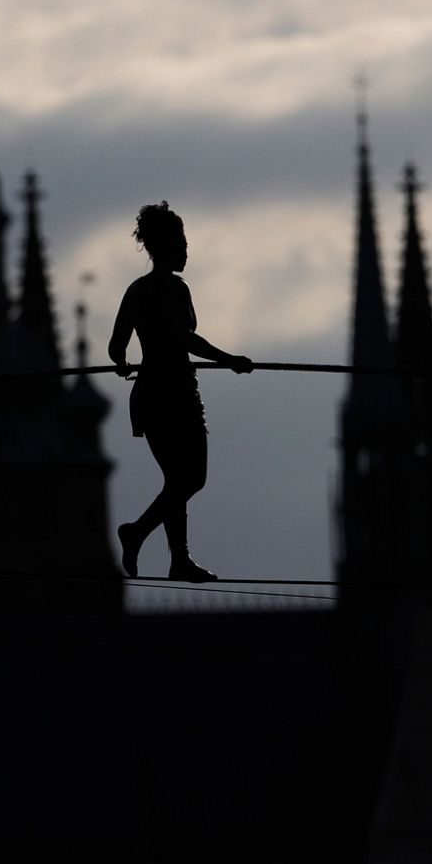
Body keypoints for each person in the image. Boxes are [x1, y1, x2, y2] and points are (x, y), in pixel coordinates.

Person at [108, 202, 253, 582]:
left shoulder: (134, 291)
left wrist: (124, 363)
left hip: (146, 397)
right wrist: (230, 359)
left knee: (176, 480)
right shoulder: (174, 289)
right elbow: (184, 338)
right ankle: (137, 533)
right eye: (182, 243)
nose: (187, 250)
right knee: (192, 479)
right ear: (168, 246)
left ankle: (179, 560)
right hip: (175, 396)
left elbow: (115, 347)